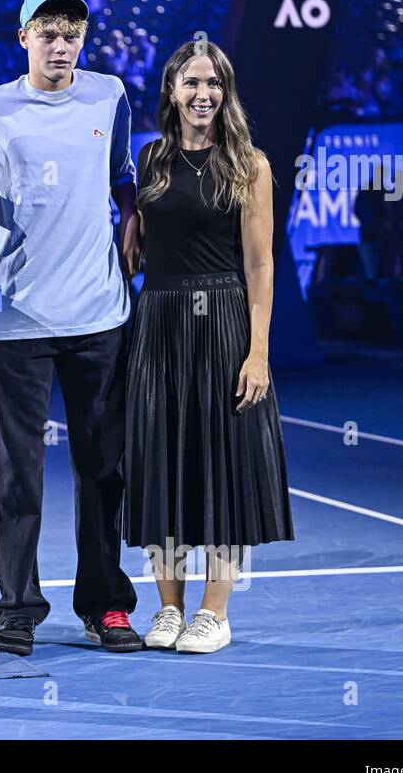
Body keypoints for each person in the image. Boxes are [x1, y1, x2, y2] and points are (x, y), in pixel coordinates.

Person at [0, 0, 142, 656]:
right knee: (16, 474)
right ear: (22, 37)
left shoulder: (110, 95)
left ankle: (106, 605)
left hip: (98, 314)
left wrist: (134, 217)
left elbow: (121, 175)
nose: (61, 44)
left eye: (72, 34)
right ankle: (16, 606)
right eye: (48, 33)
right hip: (16, 317)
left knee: (103, 468)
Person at [122, 40, 294, 654]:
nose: (203, 94)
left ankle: (214, 612)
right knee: (161, 463)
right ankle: (168, 610)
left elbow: (260, 264)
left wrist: (259, 351)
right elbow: (139, 238)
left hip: (223, 323)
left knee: (221, 466)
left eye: (214, 83)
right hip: (160, 325)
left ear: (226, 93)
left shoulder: (250, 165)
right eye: (191, 82)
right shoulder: (152, 160)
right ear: (171, 90)